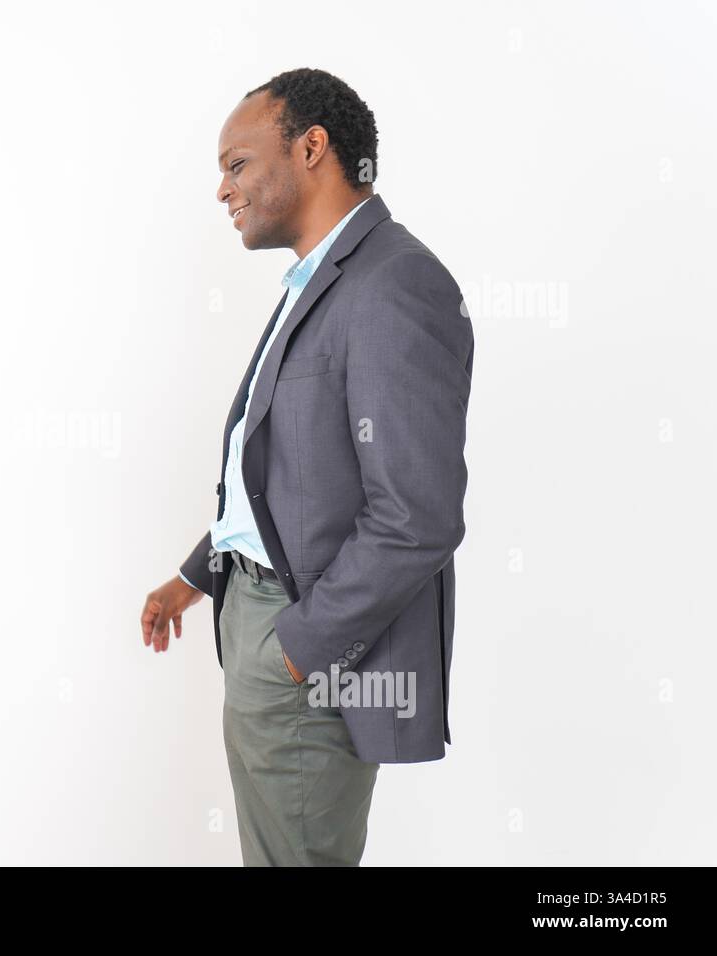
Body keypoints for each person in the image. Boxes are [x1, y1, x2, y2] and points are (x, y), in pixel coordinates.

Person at [140, 69, 473, 866]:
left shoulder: (394, 284)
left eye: (237, 164)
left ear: (312, 147)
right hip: (257, 616)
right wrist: (197, 574)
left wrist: (298, 648)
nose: (224, 189)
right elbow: (290, 466)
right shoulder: (321, 277)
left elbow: (417, 516)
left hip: (313, 650)